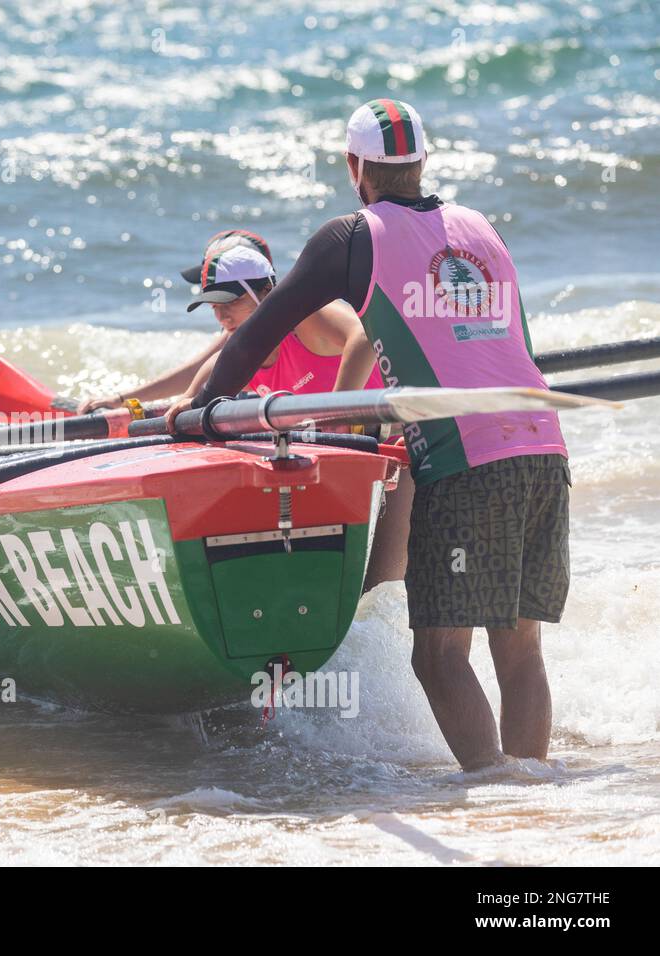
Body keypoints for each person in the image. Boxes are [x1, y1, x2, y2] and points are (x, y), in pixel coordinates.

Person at [168, 99, 569, 771]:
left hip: (466, 460)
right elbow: (501, 343)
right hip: (544, 443)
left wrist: (197, 412)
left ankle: (501, 795)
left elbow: (256, 335)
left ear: (356, 167)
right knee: (518, 648)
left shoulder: (350, 237)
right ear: (421, 164)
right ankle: (529, 795)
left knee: (438, 655)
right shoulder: (478, 226)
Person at [78, 230, 379, 413]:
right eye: (214, 305)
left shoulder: (305, 318)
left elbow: (366, 335)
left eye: (232, 301)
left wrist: (341, 412)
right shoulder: (236, 350)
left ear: (267, 292)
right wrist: (124, 402)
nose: (222, 316)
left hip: (389, 426)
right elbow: (191, 390)